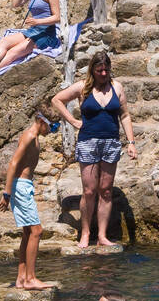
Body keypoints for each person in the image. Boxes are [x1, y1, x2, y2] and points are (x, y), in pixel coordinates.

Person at [52, 51, 137, 247]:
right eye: (99, 70)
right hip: (88, 142)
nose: (104, 74)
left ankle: (102, 236)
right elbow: (57, 100)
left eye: (106, 70)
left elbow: (124, 116)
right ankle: (85, 233)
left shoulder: (117, 87)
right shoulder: (83, 87)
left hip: (111, 143)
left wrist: (131, 143)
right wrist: (73, 120)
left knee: (105, 191)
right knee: (89, 191)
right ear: (93, 70)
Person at [0, 97, 60, 290]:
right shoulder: (29, 136)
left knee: (27, 232)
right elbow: (13, 163)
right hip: (20, 187)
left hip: (24, 185)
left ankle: (22, 278)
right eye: (53, 126)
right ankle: (31, 278)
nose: (52, 130)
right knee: (36, 231)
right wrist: (7, 193)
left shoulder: (34, 136)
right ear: (42, 121)